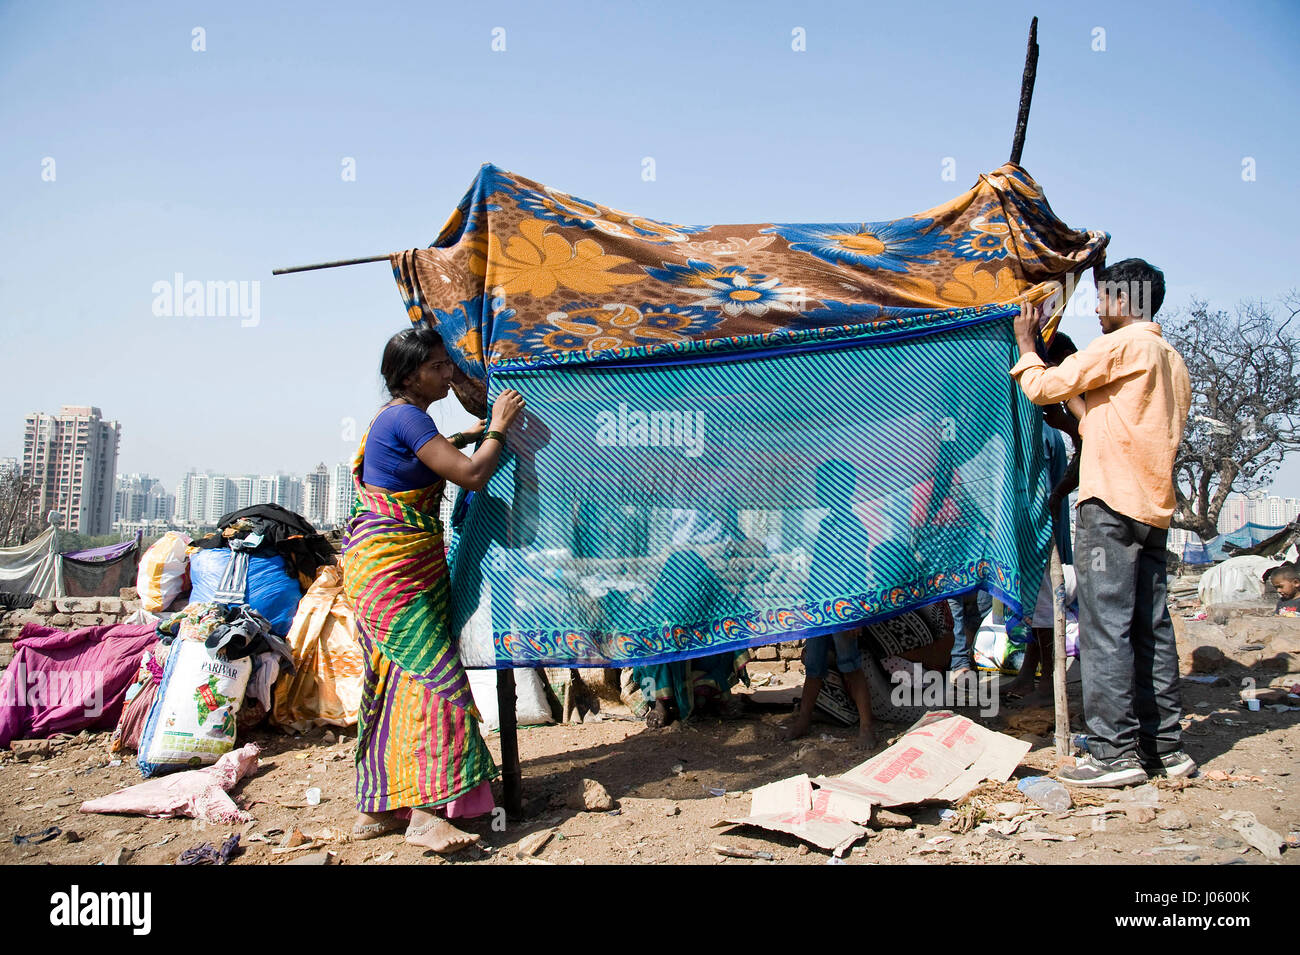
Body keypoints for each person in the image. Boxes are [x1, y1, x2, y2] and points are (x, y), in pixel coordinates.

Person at [1010, 258, 1194, 787]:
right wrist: (1075, 410)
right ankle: (1165, 748)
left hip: (1110, 506)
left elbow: (1044, 386)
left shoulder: (1120, 346)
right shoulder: (1170, 359)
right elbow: (1109, 427)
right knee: (1150, 627)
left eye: (1100, 298)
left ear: (1122, 301)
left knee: (1104, 629)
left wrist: (1026, 346)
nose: (1094, 308)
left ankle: (1114, 755)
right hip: (1151, 507)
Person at [343, 325, 525, 852]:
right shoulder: (407, 417)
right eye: (439, 366)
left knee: (396, 680)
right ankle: (424, 814)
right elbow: (469, 476)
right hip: (393, 571)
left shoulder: (395, 419)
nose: (450, 374)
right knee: (434, 682)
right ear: (409, 375)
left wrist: (472, 435)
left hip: (387, 568)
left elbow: (436, 460)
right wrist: (498, 428)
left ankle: (377, 807)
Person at [787, 460, 875, 749]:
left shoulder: (853, 527)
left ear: (844, 490)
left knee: (850, 666)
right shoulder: (826, 525)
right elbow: (818, 571)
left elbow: (857, 575)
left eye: (825, 487)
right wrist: (809, 607)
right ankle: (803, 720)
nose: (820, 492)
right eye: (820, 487)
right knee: (813, 666)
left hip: (842, 611)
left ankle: (866, 726)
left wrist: (854, 617)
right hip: (820, 611)